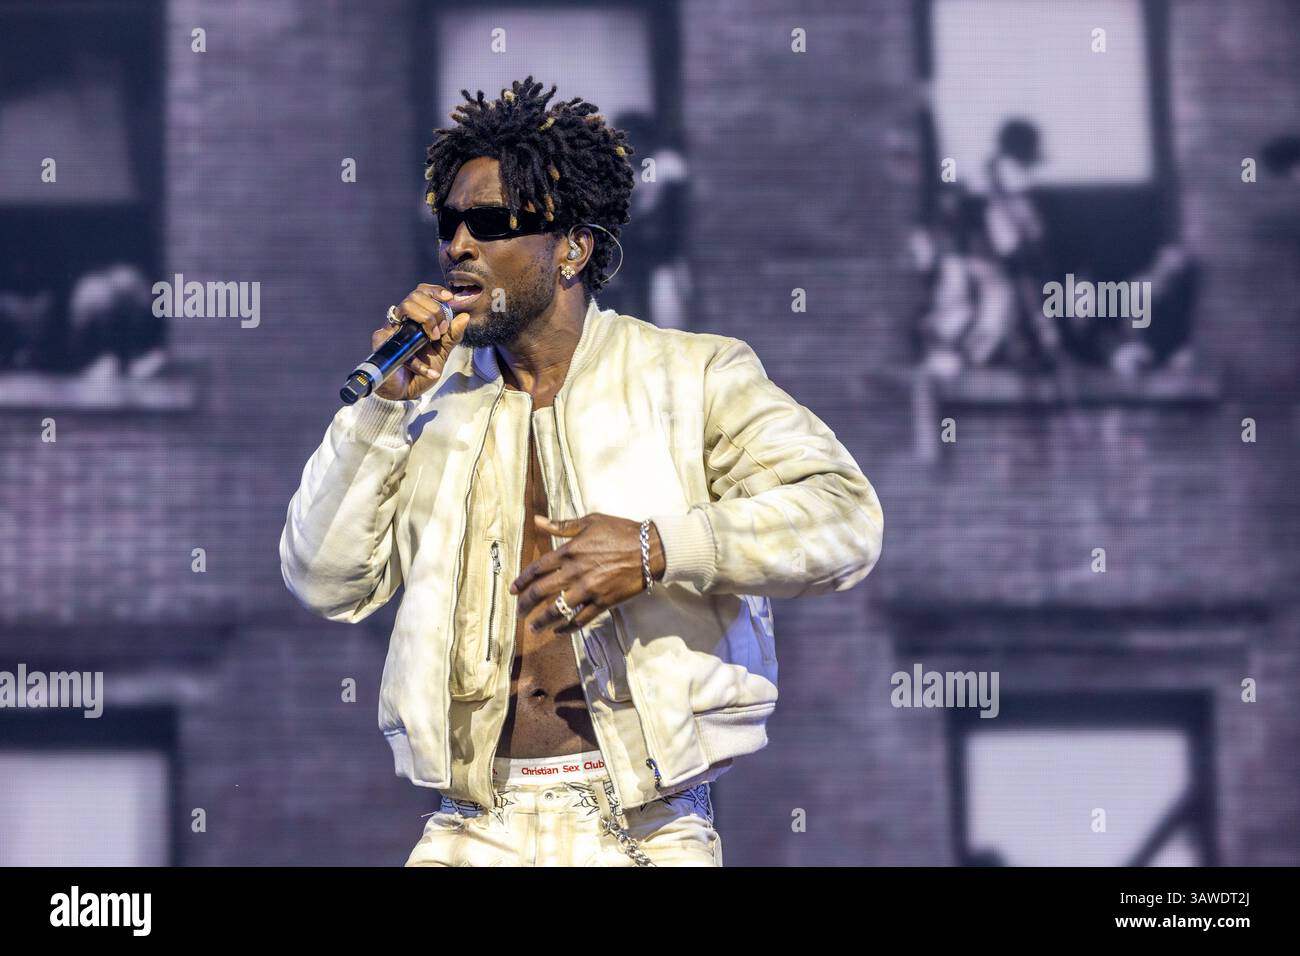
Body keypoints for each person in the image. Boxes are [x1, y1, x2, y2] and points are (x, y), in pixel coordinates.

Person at [279, 77, 884, 866]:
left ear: (571, 247)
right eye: (449, 222)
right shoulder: (424, 406)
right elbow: (321, 579)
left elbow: (844, 516)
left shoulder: (690, 376)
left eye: (489, 222)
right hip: (471, 824)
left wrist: (657, 549)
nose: (458, 244)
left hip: (644, 826)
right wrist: (381, 410)